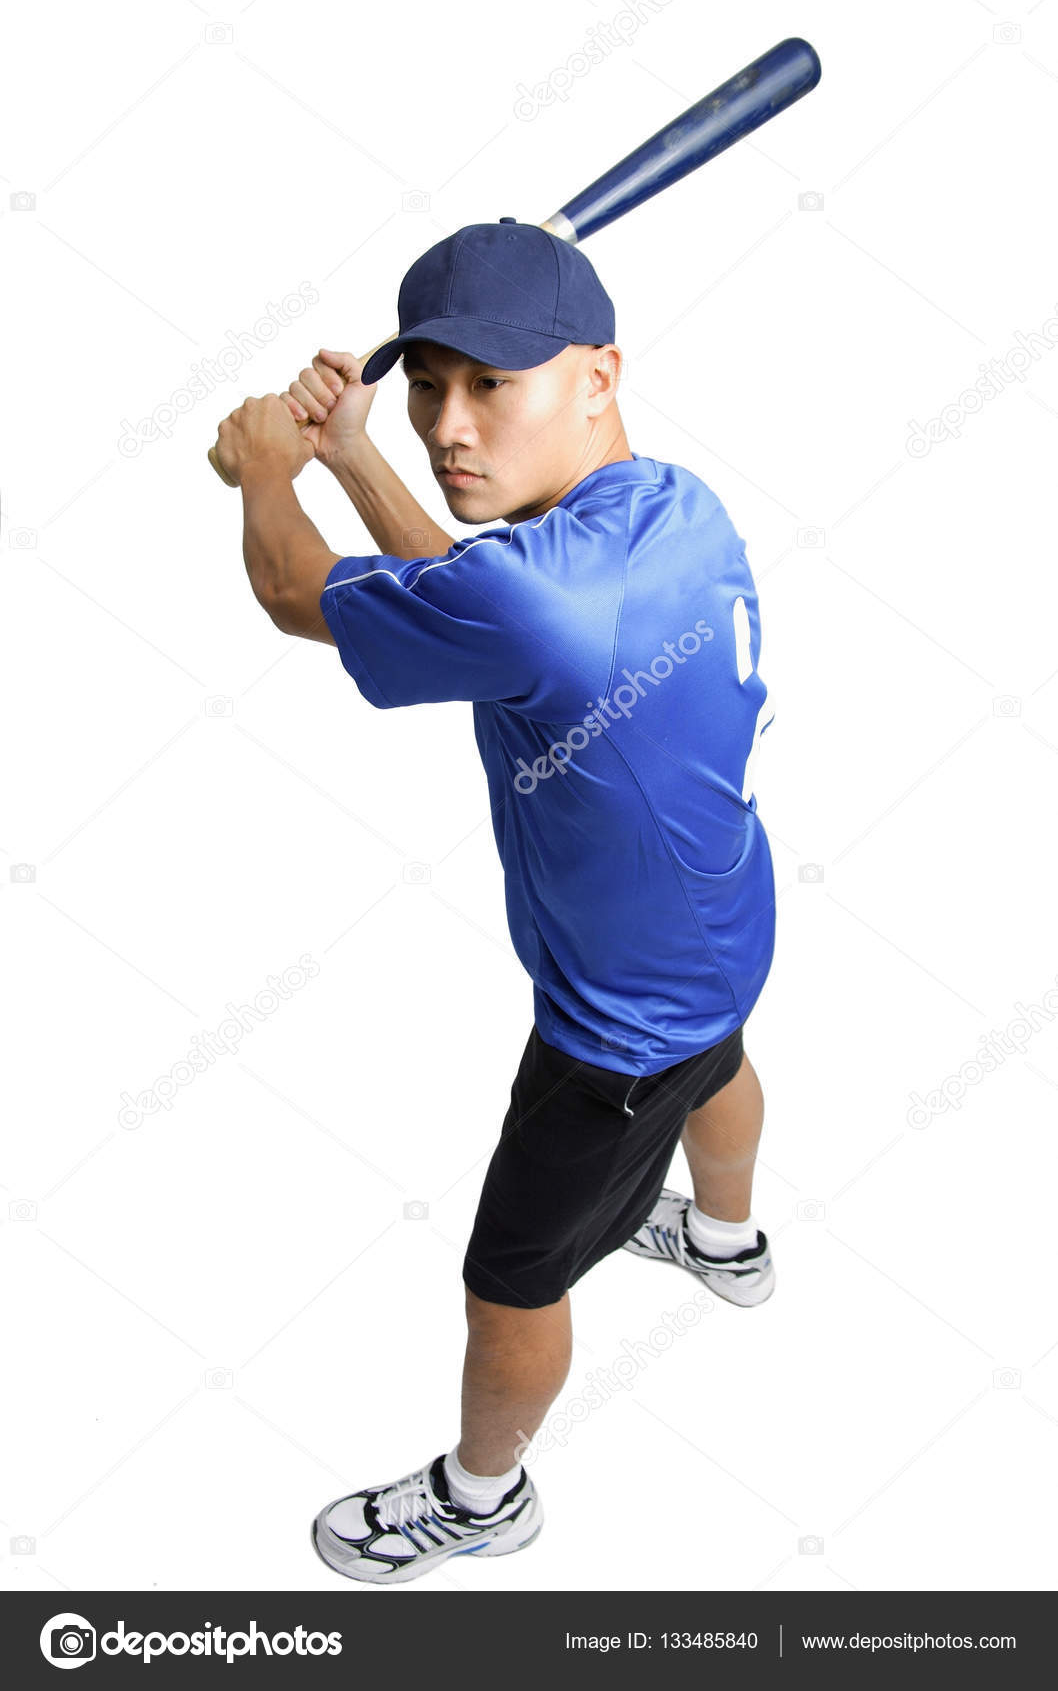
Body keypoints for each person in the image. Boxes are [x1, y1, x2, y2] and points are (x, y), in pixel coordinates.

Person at [212, 218, 777, 1586]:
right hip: (725, 925)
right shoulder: (671, 508)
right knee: (721, 1059)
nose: (446, 429)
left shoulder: (536, 603)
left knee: (510, 1277)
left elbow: (301, 591)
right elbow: (473, 599)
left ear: (598, 375)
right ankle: (725, 1240)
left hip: (607, 1021)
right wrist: (353, 454)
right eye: (426, 389)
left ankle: (482, 1498)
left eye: (492, 387)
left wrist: (264, 472)